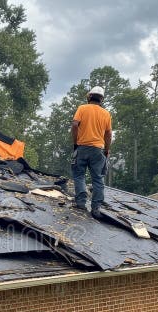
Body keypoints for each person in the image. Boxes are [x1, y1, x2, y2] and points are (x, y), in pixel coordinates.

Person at [70, 86, 112, 218]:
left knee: (79, 175)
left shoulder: (82, 108)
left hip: (82, 147)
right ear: (102, 100)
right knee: (98, 179)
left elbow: (75, 124)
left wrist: (75, 143)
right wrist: (106, 149)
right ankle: (96, 208)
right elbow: (109, 134)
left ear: (89, 97)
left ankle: (81, 203)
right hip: (98, 150)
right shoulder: (106, 114)